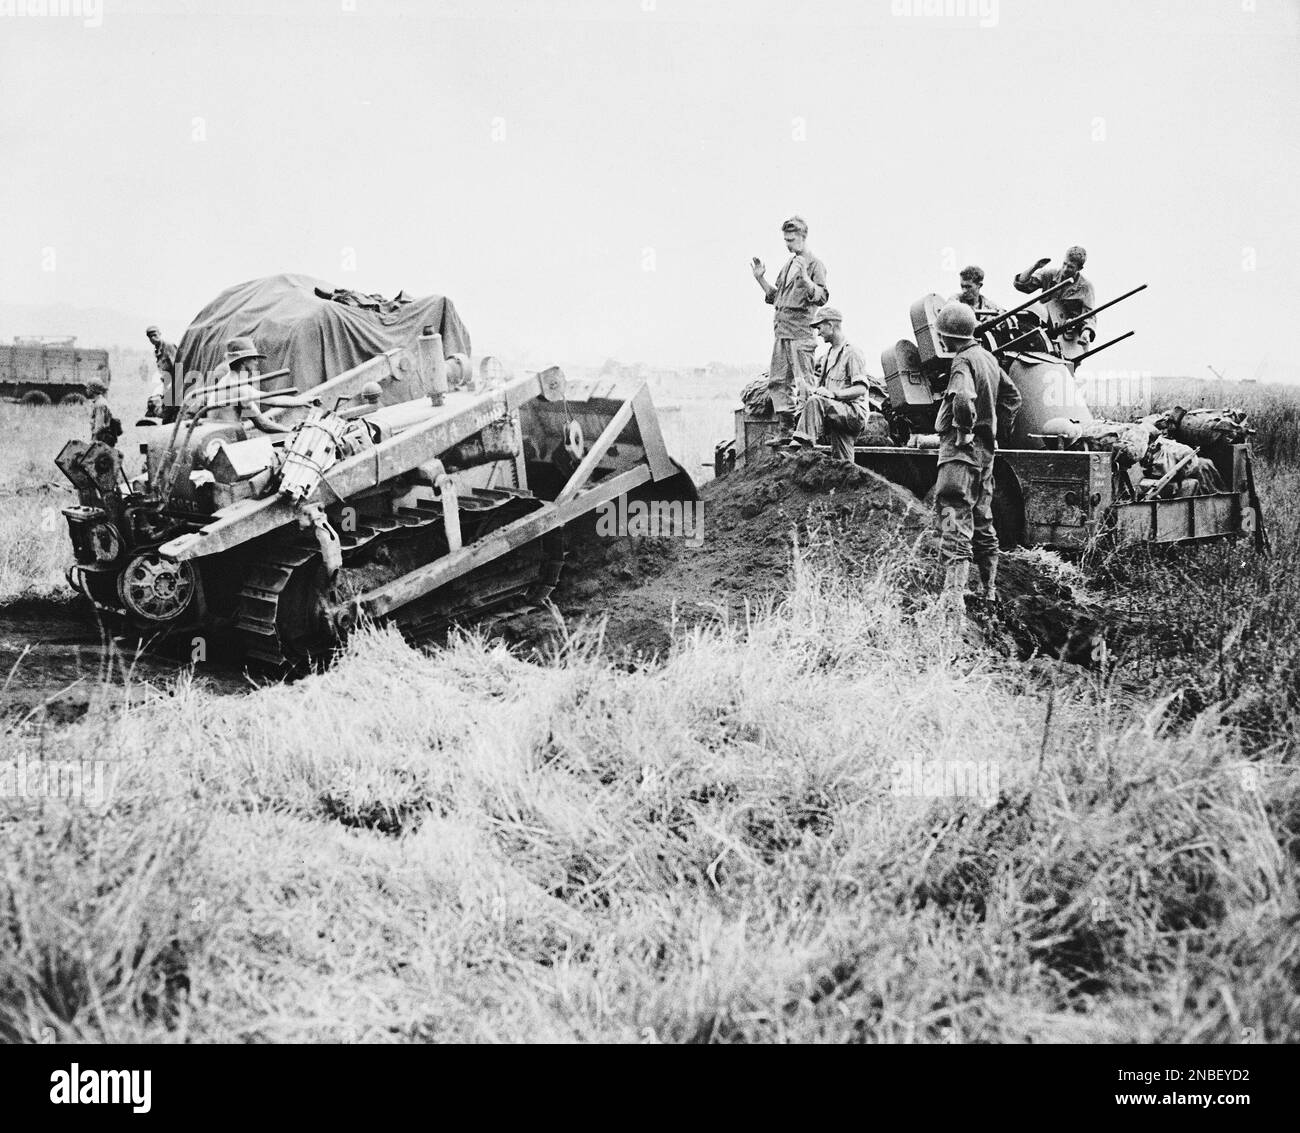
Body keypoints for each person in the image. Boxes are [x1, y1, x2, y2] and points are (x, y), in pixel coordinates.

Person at [932, 301, 1010, 606]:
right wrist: (991, 431)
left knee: (951, 516)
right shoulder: (989, 359)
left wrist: (965, 431)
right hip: (984, 456)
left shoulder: (962, 361)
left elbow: (962, 398)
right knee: (982, 520)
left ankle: (953, 598)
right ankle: (989, 591)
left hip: (959, 454)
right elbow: (1012, 397)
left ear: (948, 336)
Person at [750, 215, 828, 439]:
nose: (788, 244)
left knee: (805, 383)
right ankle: (786, 429)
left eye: (792, 240)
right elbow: (777, 298)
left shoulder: (814, 265)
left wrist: (805, 279)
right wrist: (760, 279)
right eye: (785, 240)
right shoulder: (788, 266)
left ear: (803, 237)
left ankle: (807, 431)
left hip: (801, 333)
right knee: (778, 381)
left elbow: (821, 297)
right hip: (782, 332)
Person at [785, 307, 884, 463]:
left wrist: (834, 395)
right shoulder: (827, 357)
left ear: (830, 325)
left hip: (853, 413)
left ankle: (802, 449)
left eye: (819, 327)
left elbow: (861, 388)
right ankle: (847, 483)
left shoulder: (852, 353)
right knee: (843, 464)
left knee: (816, 402)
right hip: (838, 412)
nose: (818, 333)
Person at [1012, 246, 1096, 357]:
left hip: (1067, 338)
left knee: (1064, 371)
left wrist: (1087, 332)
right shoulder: (1050, 275)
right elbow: (1022, 285)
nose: (1065, 269)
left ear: (1080, 268)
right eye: (1064, 264)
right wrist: (1035, 267)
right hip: (1041, 331)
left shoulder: (1085, 287)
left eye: (1070, 267)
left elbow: (1089, 315)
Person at [209, 337, 292, 435]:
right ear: (244, 361)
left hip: (222, 436)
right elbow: (263, 423)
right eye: (254, 358)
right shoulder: (238, 387)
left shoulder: (228, 381)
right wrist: (290, 430)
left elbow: (260, 411)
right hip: (229, 440)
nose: (256, 362)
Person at [86, 377, 120, 447]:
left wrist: (93, 441)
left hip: (102, 439)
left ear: (93, 390)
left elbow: (99, 426)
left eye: (88, 388)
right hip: (104, 438)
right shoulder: (100, 402)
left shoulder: (99, 404)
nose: (86, 390)